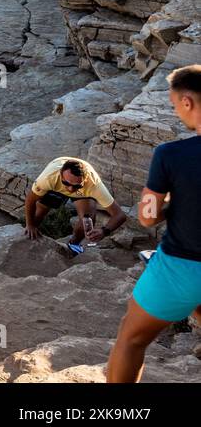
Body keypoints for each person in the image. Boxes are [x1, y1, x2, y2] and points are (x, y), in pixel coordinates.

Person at [107, 65, 201, 383]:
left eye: (175, 105)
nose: (177, 113)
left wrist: (175, 203)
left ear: (187, 102)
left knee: (131, 337)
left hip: (181, 267)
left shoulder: (170, 155)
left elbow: (147, 216)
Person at [24, 156, 127, 254]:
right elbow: (30, 200)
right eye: (67, 184)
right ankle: (28, 236)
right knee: (38, 214)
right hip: (56, 186)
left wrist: (104, 231)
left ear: (85, 180)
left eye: (76, 186)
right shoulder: (49, 178)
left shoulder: (94, 185)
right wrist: (30, 225)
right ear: (60, 174)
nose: (71, 189)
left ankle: (73, 246)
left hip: (82, 192)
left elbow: (119, 215)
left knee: (87, 220)